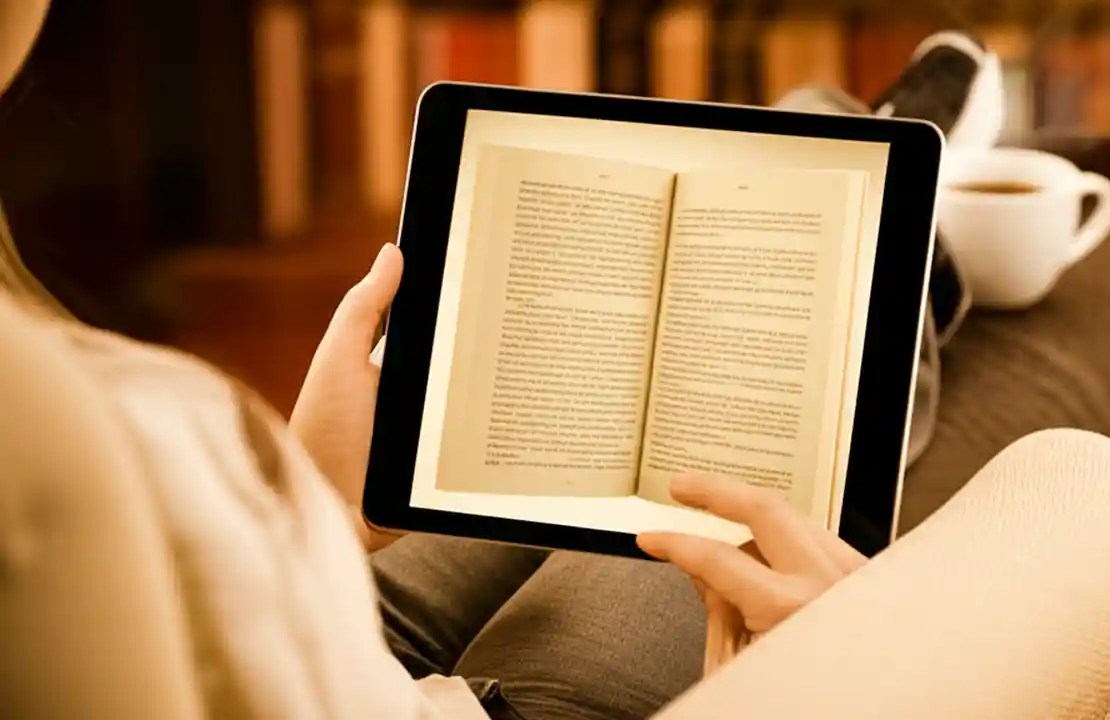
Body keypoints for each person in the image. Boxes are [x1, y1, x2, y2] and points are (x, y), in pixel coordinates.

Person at [0, 3, 865, 719]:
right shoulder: (34, 411)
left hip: (336, 637)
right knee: (877, 298)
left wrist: (322, 507)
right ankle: (925, 240)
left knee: (828, 166)